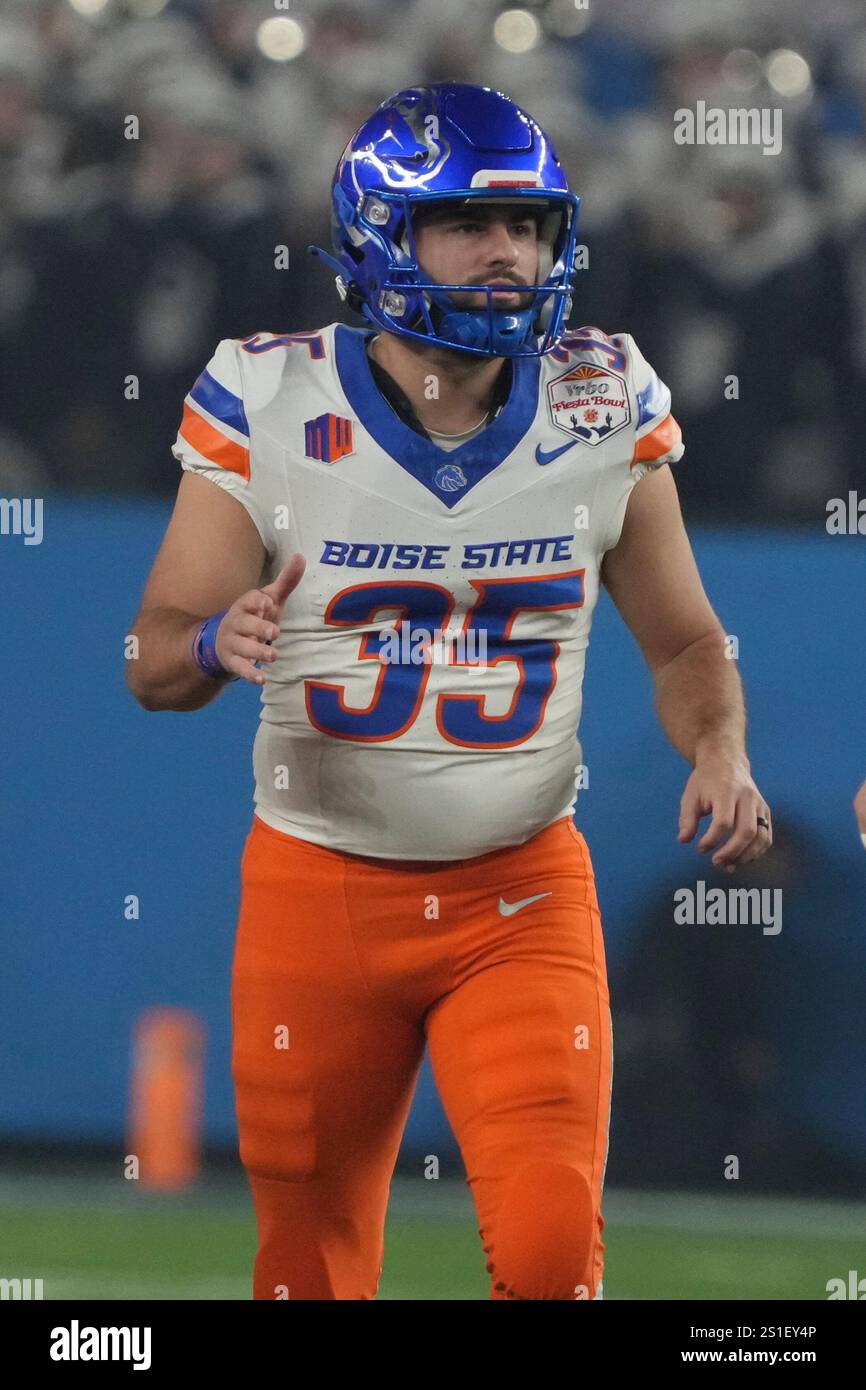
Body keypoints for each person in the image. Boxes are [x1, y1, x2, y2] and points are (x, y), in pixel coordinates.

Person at [125, 82, 772, 1300]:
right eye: (468, 224)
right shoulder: (271, 399)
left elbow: (686, 642)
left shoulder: (600, 397)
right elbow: (149, 655)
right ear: (383, 233)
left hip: (518, 891)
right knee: (306, 1277)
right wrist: (213, 640)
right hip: (317, 892)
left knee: (546, 1261)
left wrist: (718, 747)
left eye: (527, 225)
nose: (506, 253)